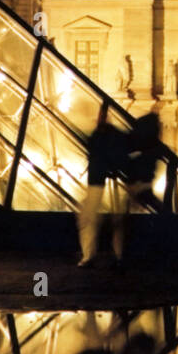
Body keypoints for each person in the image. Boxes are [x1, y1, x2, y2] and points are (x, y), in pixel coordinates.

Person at [113, 101, 162, 261]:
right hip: (143, 182)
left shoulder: (136, 142)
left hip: (135, 183)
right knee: (150, 214)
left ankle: (121, 255)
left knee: (124, 222)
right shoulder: (152, 146)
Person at [77, 102, 122, 266]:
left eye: (101, 114)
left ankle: (89, 255)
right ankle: (117, 254)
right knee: (115, 220)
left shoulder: (100, 135)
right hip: (103, 180)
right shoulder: (109, 134)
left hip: (97, 181)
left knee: (88, 218)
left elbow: (92, 150)